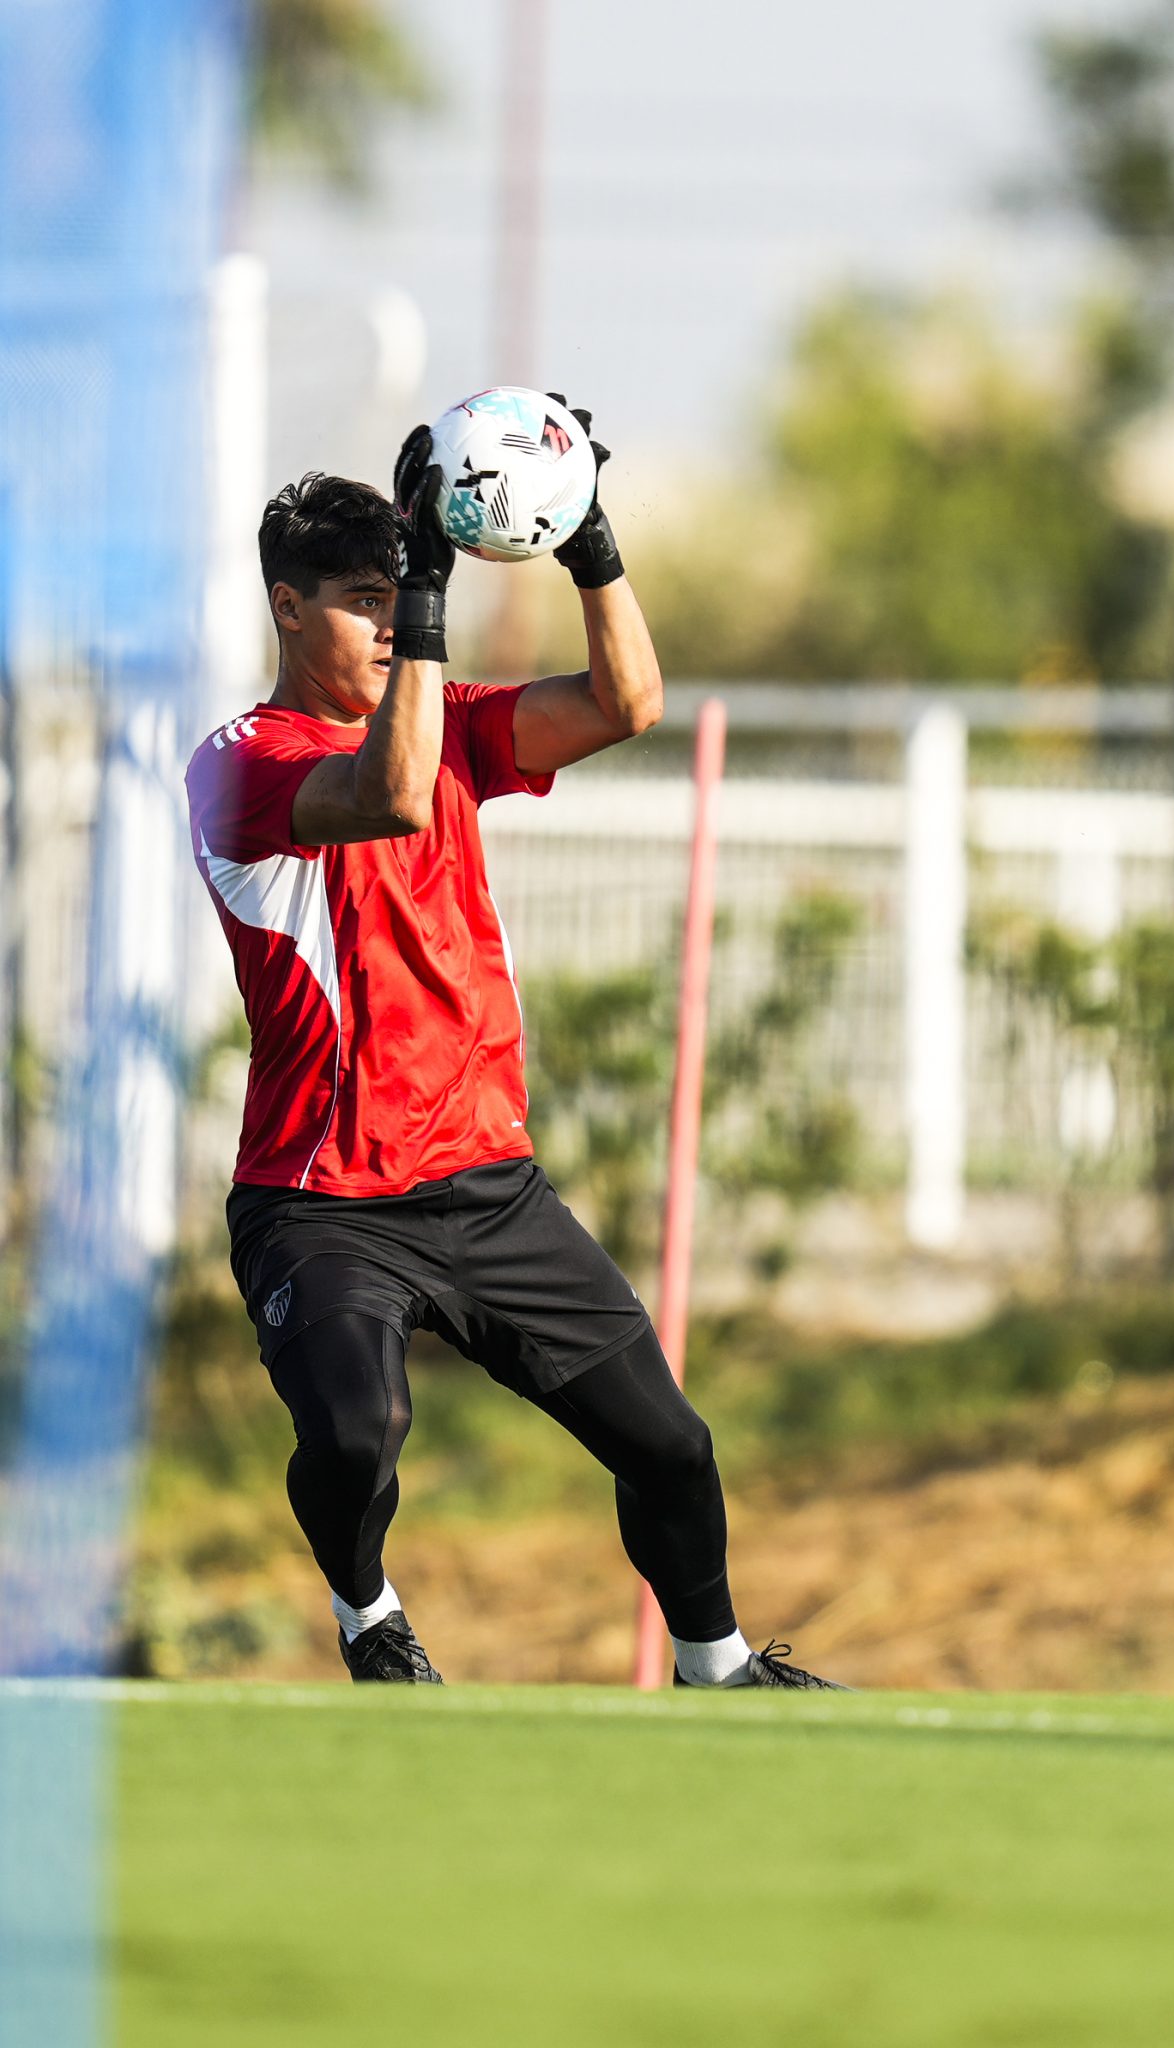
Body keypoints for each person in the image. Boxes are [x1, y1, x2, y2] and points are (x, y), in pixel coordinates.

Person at [184, 407, 842, 1691]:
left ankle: (717, 1669)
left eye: (397, 597)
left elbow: (625, 702)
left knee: (673, 1448)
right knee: (359, 1430)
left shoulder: (452, 722)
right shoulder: (238, 764)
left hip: (488, 1185)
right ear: (285, 606)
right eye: (360, 600)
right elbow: (384, 789)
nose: (386, 625)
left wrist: (588, 535)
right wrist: (432, 586)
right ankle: (367, 1612)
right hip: (324, 1202)